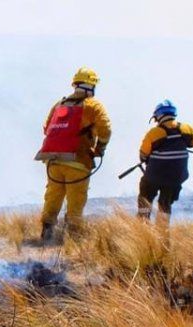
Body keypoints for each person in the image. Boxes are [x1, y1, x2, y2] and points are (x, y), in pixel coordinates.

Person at [35, 67, 112, 243]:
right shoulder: (93, 105)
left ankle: (47, 231)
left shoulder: (59, 104)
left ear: (75, 84)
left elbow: (47, 129)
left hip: (54, 161)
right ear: (92, 86)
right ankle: (73, 238)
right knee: (76, 199)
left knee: (53, 195)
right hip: (78, 160)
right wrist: (99, 148)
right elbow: (106, 129)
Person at [137, 99, 193, 222]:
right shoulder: (186, 129)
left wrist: (147, 159)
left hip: (155, 176)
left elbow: (143, 154)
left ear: (158, 115)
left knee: (145, 193)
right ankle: (163, 228)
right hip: (176, 177)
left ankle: (142, 222)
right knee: (166, 202)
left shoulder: (154, 133)